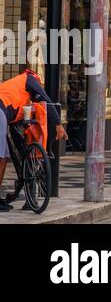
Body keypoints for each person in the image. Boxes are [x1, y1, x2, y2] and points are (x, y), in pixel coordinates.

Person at [0, 69, 67, 212]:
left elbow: (15, 130)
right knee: (1, 157)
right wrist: (58, 124)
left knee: (7, 153)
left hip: (4, 114)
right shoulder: (29, 79)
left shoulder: (15, 90)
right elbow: (47, 101)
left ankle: (22, 196)